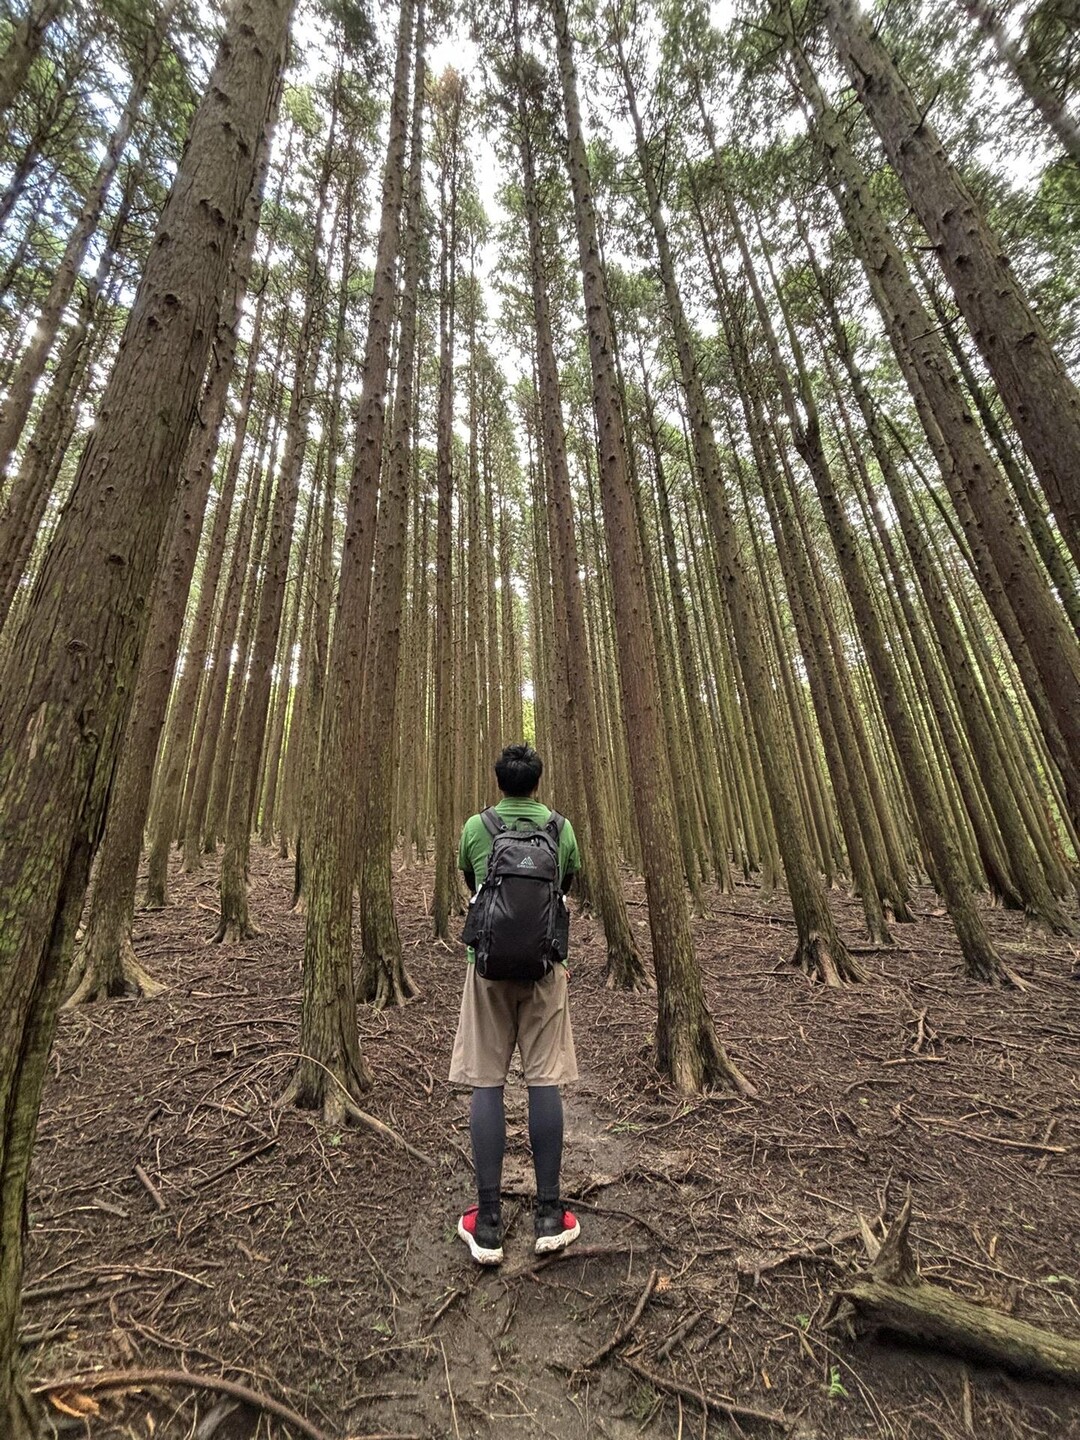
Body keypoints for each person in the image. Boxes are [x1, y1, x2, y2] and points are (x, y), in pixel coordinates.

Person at [449, 742, 582, 1265]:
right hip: (546, 971)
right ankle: (550, 1216)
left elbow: (472, 882)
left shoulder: (476, 826)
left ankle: (486, 1224)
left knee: (487, 1082)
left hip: (485, 971)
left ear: (500, 783)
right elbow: (566, 883)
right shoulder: (560, 828)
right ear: (537, 784)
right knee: (544, 1080)